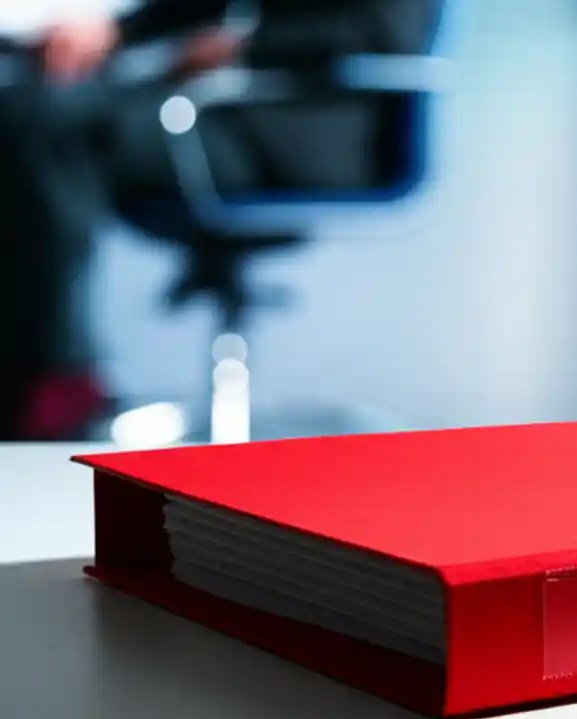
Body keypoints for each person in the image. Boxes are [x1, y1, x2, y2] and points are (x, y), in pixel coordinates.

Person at [0, 0, 442, 439]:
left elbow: (384, 31)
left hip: (299, 137)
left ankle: (59, 377)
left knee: (56, 131)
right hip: (224, 114)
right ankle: (27, 374)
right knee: (22, 108)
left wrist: (244, 47)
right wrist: (111, 33)